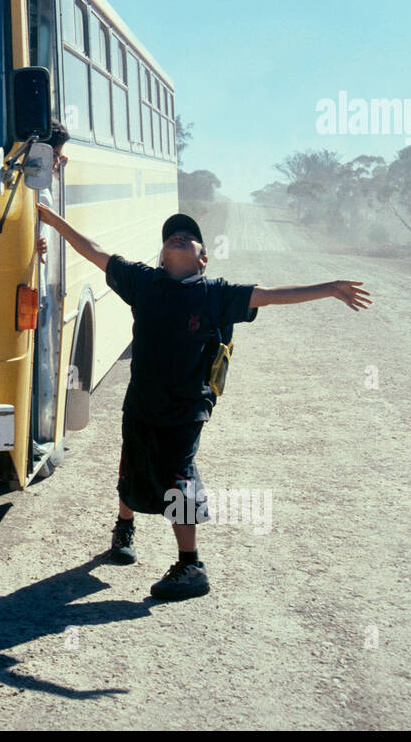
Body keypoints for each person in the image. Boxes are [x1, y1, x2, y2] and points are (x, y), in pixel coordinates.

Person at [35, 203, 373, 600]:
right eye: (171, 236)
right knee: (134, 463)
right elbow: (93, 250)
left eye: (188, 236)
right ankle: (124, 527)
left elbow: (271, 295)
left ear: (203, 258)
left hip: (186, 407)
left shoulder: (216, 295)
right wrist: (51, 218)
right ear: (162, 255)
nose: (178, 237)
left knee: (178, 476)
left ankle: (190, 564)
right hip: (142, 399)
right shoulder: (143, 282)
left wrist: (329, 288)